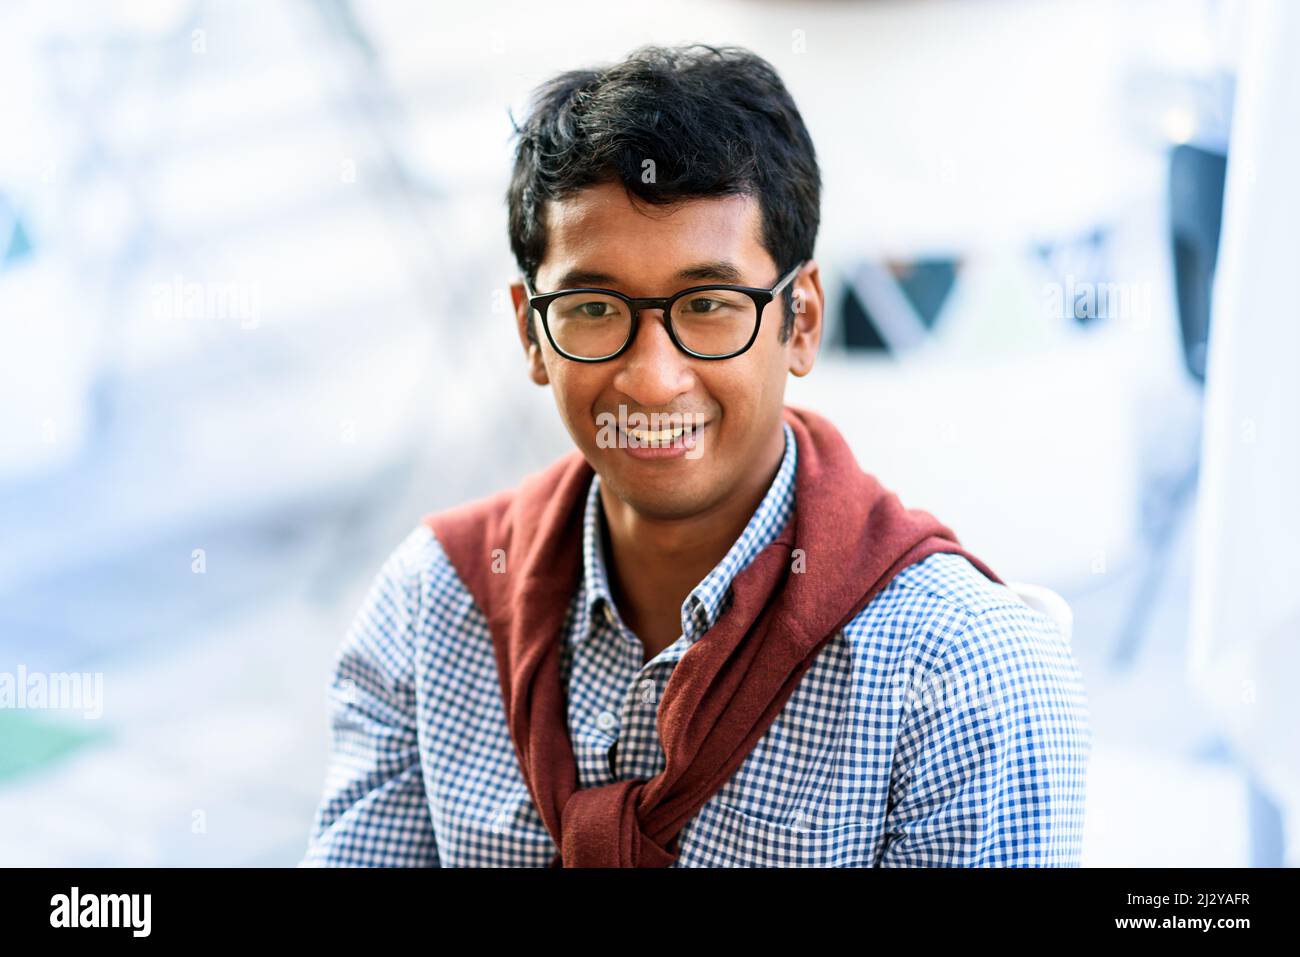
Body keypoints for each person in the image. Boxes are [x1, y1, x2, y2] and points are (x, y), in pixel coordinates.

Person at [301, 43, 1091, 868]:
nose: (651, 378)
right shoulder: (434, 606)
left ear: (803, 320)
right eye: (594, 306)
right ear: (531, 333)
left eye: (709, 304)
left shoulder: (960, 675)